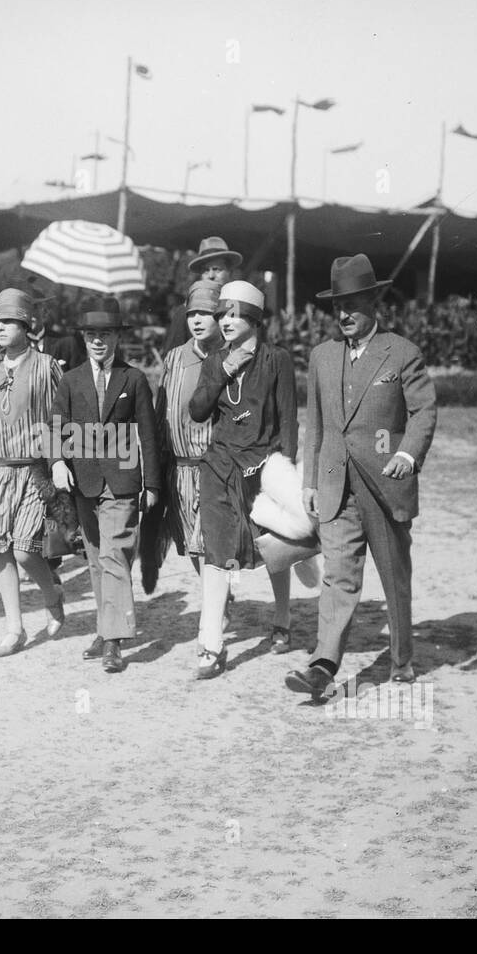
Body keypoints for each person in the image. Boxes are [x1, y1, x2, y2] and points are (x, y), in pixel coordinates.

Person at [286, 254, 438, 700]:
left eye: (353, 303)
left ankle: (402, 658)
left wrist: (408, 455)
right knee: (338, 576)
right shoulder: (322, 357)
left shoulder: (402, 352)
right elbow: (315, 423)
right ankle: (322, 665)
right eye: (338, 304)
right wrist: (310, 481)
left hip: (385, 486)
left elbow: (424, 409)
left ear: (374, 301)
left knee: (394, 578)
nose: (344, 313)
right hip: (335, 488)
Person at [188, 280, 298, 679]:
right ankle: (210, 643)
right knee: (216, 554)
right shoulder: (215, 360)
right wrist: (221, 372)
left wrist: (286, 474)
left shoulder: (277, 360)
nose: (226, 321)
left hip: (263, 468)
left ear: (254, 319)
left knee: (273, 545)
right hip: (218, 467)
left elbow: (288, 420)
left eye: (234, 314)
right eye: (222, 314)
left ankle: (283, 620)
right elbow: (197, 410)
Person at [50, 306, 160, 674]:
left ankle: (114, 640)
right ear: (84, 338)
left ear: (118, 337)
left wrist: (152, 483)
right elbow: (55, 426)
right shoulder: (71, 380)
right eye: (92, 335)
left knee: (115, 556)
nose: (99, 341)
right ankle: (104, 628)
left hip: (123, 481)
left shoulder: (134, 379)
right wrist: (56, 463)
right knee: (97, 559)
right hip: (84, 481)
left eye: (107, 335)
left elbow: (148, 433)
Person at [0, 289, 66, 657]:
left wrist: (58, 462)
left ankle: (52, 594)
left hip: (32, 472)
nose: (1, 328)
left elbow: (61, 418)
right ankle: (14, 628)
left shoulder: (45, 367)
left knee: (26, 549)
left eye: (9, 321)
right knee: (1, 550)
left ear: (27, 325)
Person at [153, 279, 223, 575]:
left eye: (205, 313)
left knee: (214, 543)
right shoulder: (174, 358)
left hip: (217, 470)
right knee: (192, 544)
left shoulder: (232, 356)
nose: (196, 320)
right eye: (192, 314)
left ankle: (216, 607)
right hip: (180, 470)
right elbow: (161, 412)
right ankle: (218, 598)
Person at [163, 236, 242, 355]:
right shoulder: (185, 311)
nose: (211, 275)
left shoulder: (240, 309)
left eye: (217, 269)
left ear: (229, 272)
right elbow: (171, 357)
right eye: (206, 270)